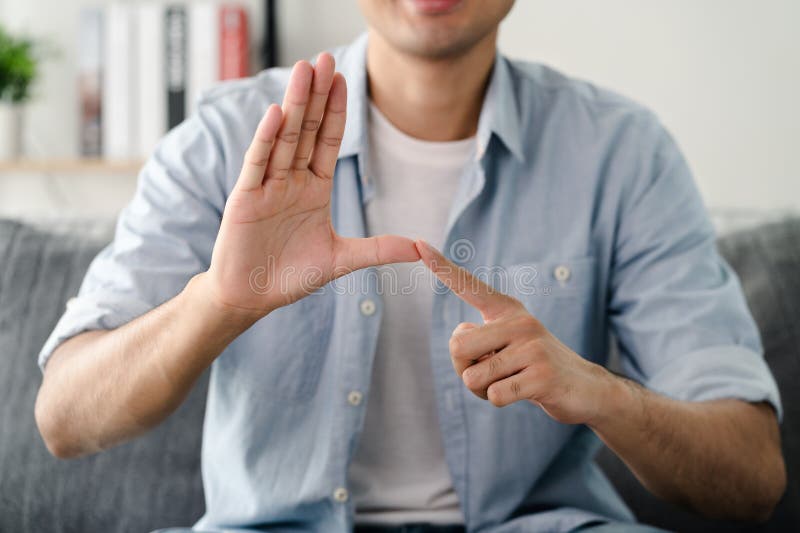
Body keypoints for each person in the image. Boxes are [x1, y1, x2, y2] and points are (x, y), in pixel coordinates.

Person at [35, 1, 785, 532]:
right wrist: (217, 302)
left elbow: (753, 476)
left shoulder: (623, 153)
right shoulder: (225, 139)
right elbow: (65, 416)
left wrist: (601, 391)